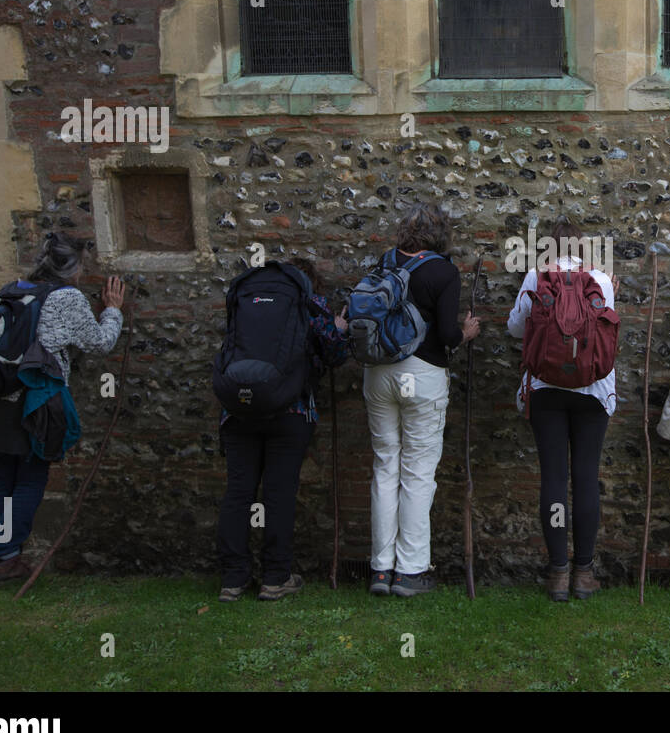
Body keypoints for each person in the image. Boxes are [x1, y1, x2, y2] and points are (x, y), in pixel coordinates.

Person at [0, 233, 125, 587]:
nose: (81, 274)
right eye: (81, 267)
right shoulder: (66, 297)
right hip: (33, 400)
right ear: (70, 267)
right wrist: (114, 310)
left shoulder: (14, 290)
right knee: (30, 478)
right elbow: (100, 343)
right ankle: (5, 560)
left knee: (4, 479)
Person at [216, 257, 349, 602]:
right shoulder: (309, 300)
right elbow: (335, 353)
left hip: (238, 408)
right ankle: (275, 577)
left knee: (238, 493)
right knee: (278, 494)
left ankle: (233, 578)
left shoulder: (248, 299)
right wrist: (339, 327)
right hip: (290, 410)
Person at [364, 204, 479, 597]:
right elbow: (446, 335)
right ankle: (410, 571)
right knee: (416, 473)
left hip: (378, 374)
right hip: (421, 375)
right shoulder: (443, 271)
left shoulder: (383, 263)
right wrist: (466, 333)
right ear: (440, 234)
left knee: (384, 468)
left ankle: (380, 569)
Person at [506, 219, 619, 602]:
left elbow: (516, 330)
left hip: (546, 389)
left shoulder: (536, 277)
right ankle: (584, 574)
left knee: (554, 478)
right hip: (593, 391)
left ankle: (558, 573)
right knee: (586, 478)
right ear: (582, 247)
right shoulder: (600, 280)